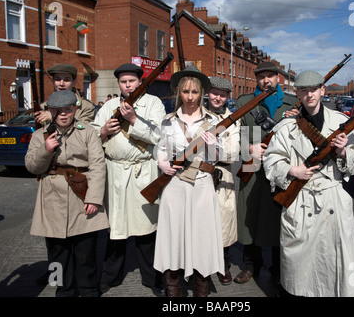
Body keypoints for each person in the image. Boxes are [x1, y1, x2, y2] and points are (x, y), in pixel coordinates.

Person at [263, 70, 354, 297]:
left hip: (332, 200)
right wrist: (292, 170)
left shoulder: (341, 122)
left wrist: (342, 152)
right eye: (303, 90)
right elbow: (270, 160)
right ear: (297, 93)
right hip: (300, 200)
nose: (309, 94)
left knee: (334, 267)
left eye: (313, 89)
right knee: (300, 272)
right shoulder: (286, 126)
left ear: (322, 90)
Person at [91, 63, 166, 296]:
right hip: (115, 172)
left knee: (146, 230)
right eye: (123, 82)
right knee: (116, 229)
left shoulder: (153, 103)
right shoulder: (109, 106)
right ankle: (110, 276)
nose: (127, 85)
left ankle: (152, 278)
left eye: (131, 81)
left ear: (139, 82)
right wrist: (103, 130)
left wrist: (133, 120)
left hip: (142, 171)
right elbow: (92, 135)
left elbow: (160, 135)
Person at [25, 90, 109, 297]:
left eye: (68, 110)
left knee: (85, 253)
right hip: (52, 198)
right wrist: (45, 150)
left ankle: (89, 291)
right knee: (57, 256)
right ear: (50, 111)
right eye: (58, 110)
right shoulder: (39, 135)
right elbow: (31, 167)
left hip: (83, 195)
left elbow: (98, 165)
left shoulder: (87, 132)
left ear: (75, 110)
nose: (63, 114)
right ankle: (62, 291)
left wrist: (94, 198)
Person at [153, 65, 224, 297]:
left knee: (203, 238)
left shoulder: (213, 120)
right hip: (174, 185)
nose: (190, 98)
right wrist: (162, 163)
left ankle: (201, 289)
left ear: (201, 93)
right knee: (173, 235)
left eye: (195, 92)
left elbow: (217, 157)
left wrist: (212, 142)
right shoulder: (168, 121)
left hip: (202, 184)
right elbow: (160, 149)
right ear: (179, 93)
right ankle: (173, 289)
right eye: (186, 92)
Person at [234, 61, 298, 285]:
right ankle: (251, 264)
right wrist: (248, 148)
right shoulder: (245, 102)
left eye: (270, 76)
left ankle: (278, 268)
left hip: (281, 166)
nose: (266, 80)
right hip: (252, 165)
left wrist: (298, 118)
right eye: (261, 77)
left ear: (279, 78)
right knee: (249, 215)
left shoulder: (292, 103)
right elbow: (234, 132)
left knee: (279, 216)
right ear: (256, 79)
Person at [205, 76, 240, 286]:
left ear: (227, 97)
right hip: (198, 173)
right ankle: (201, 266)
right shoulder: (197, 115)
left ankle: (222, 266)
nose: (218, 98)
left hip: (222, 175)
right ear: (208, 94)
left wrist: (216, 149)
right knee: (201, 223)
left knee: (223, 225)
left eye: (222, 95)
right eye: (214, 93)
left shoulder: (233, 120)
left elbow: (234, 152)